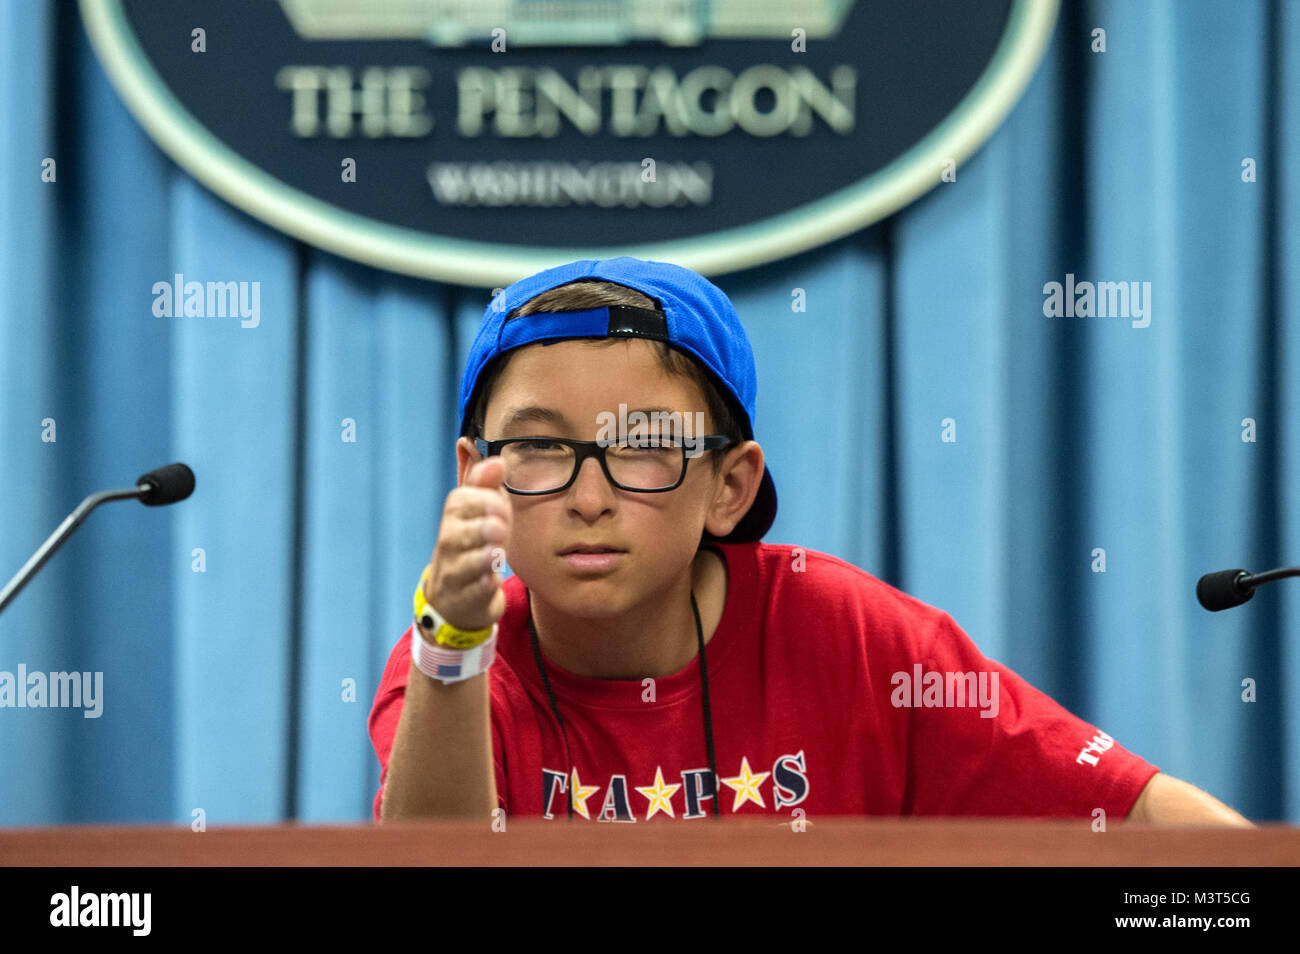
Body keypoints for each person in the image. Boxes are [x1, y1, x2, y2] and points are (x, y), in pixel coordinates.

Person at [368, 256, 1252, 826]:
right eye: (540, 448)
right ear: (473, 473)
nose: (589, 496)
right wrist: (453, 642)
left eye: (643, 447)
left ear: (730, 486)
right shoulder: (450, 656)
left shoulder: (856, 640)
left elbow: (1145, 821)